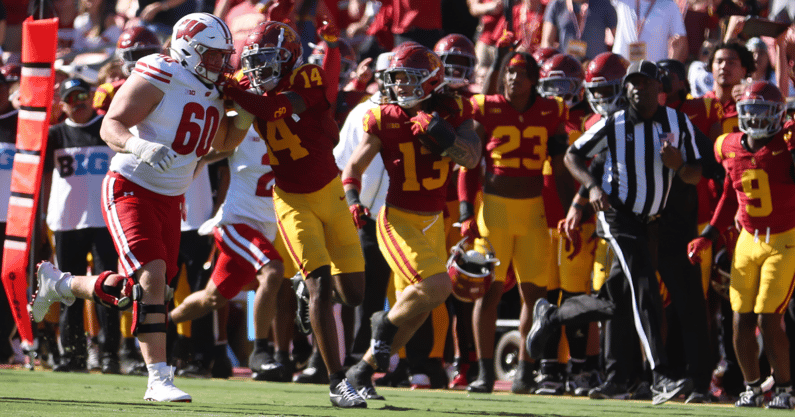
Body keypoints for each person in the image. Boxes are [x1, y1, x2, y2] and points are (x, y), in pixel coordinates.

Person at [30, 12, 248, 402]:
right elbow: (111, 124)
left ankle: (61, 283)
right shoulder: (161, 72)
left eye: (223, 56)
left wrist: (246, 110)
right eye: (211, 55)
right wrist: (140, 145)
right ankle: (158, 379)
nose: (219, 63)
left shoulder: (213, 88)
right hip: (131, 187)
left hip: (171, 199)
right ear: (186, 49)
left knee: (142, 292)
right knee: (153, 279)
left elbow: (226, 141)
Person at [530, 60, 702, 405]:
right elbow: (572, 155)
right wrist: (592, 188)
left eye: (644, 82)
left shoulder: (678, 121)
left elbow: (696, 173)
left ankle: (553, 316)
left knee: (615, 302)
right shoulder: (615, 122)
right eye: (631, 83)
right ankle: (661, 376)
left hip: (652, 221)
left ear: (660, 88)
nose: (637, 88)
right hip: (618, 216)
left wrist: (679, 166)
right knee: (645, 287)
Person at [222, 20, 368, 408]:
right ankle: (338, 382)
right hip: (290, 199)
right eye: (253, 62)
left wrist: (233, 88)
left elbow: (275, 108)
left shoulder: (307, 76)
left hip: (331, 194)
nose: (259, 70)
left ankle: (308, 291)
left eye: (268, 61)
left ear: (289, 59)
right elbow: (236, 99)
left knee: (353, 295)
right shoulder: (249, 83)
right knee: (322, 286)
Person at [341, 42, 481, 400]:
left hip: (434, 221)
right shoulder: (383, 117)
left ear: (432, 80)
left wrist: (443, 136)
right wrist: (354, 200)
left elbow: (471, 158)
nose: (400, 86)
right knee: (439, 287)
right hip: (397, 219)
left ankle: (361, 373)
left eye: (408, 78)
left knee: (417, 310)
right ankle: (381, 326)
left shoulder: (454, 110)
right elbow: (352, 168)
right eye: (396, 78)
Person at [457, 48, 573, 394]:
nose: (512, 78)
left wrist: (571, 213)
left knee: (534, 298)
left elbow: (563, 166)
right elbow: (468, 160)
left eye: (520, 74)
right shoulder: (488, 107)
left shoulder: (550, 111)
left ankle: (525, 370)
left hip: (533, 210)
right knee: (487, 294)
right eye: (508, 72)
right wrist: (465, 212)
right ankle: (482, 372)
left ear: (535, 80)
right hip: (493, 212)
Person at [687, 81, 795, 409]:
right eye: (751, 111)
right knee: (740, 318)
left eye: (766, 112)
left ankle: (785, 389)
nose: (758, 119)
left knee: (767, 316)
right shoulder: (728, 145)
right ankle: (752, 386)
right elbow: (730, 195)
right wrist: (708, 233)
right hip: (747, 240)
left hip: (784, 239)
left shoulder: (787, 143)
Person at [41, 78, 122, 375]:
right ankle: (73, 353)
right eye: (71, 97)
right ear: (62, 104)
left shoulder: (106, 128)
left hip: (104, 221)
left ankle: (109, 352)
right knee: (67, 290)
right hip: (66, 222)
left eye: (84, 95)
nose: (79, 102)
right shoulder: (55, 134)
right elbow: (41, 176)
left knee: (108, 287)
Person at [610, 0, 687, 62]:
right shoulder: (623, 1)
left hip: (653, 73)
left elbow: (681, 41)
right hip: (621, 70)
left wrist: (670, 69)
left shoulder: (669, 5)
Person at [540, 0, 617, 61]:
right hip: (567, 69)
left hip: (596, 70)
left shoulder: (603, 4)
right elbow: (547, 42)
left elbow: (618, 36)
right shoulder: (556, 4)